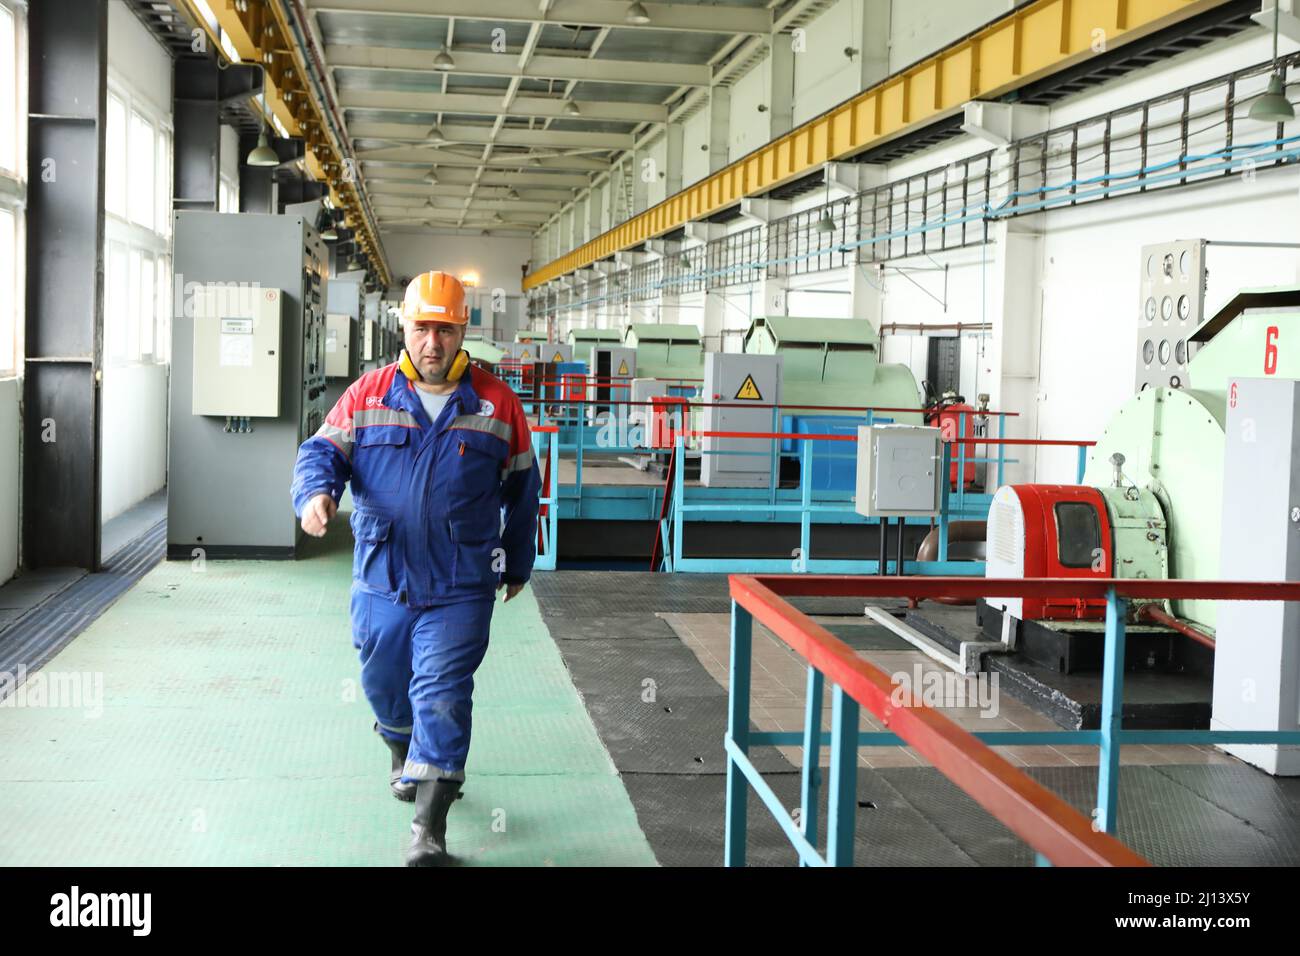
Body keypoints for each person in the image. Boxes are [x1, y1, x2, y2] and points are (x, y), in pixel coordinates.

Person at [291, 270, 541, 866]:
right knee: (383, 683)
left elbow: (524, 486)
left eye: (447, 330)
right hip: (383, 576)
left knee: (444, 693)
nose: (434, 343)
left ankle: (428, 832)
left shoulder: (495, 402)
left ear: (463, 332)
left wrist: (516, 561)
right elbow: (320, 451)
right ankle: (399, 749)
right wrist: (315, 496)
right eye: (424, 328)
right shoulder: (368, 394)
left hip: (460, 582)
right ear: (406, 328)